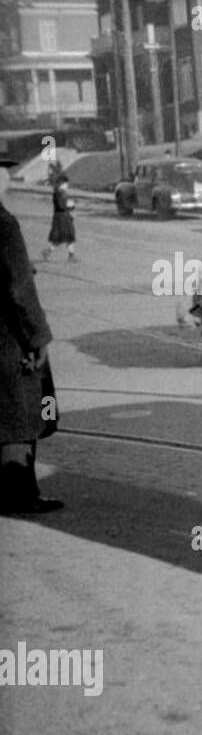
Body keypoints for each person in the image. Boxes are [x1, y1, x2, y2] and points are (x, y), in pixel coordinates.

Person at [0, 155, 62, 515]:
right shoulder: (4, 225)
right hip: (9, 339)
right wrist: (38, 338)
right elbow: (19, 289)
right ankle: (20, 494)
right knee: (21, 416)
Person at [40, 174, 77, 263]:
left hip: (62, 217)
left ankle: (48, 252)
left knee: (64, 237)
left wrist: (71, 206)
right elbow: (62, 206)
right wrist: (70, 205)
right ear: (61, 184)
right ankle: (70, 256)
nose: (67, 185)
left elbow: (64, 205)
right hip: (62, 218)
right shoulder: (60, 193)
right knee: (67, 236)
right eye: (65, 183)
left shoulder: (59, 193)